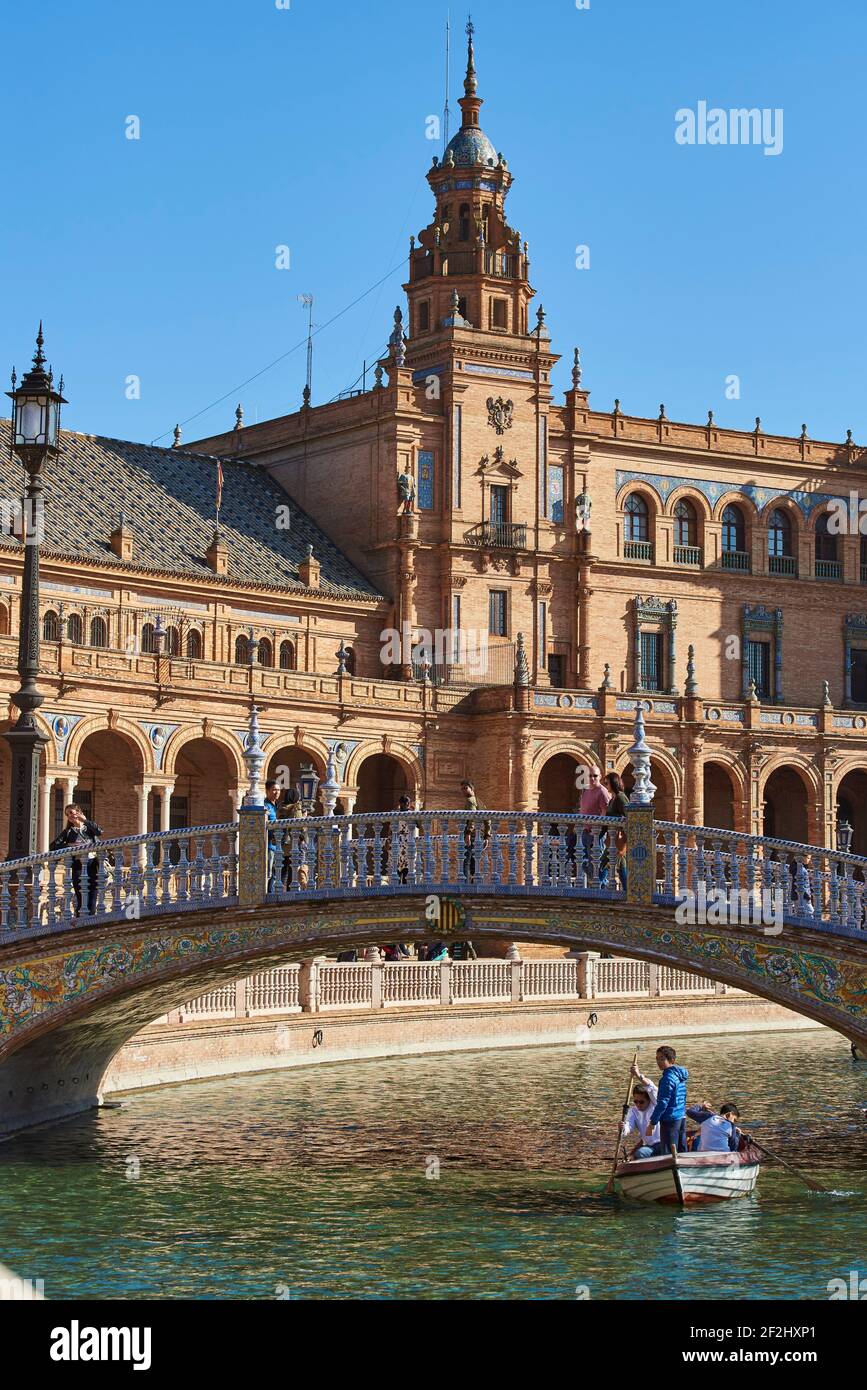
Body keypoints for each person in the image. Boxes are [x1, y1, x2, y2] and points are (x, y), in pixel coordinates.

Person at [50, 804, 103, 915]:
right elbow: (53, 846)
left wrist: (85, 820)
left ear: (78, 812)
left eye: (72, 812)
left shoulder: (88, 828)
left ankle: (91, 922)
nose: (70, 815)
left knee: (93, 895)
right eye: (68, 814)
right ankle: (80, 922)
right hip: (78, 865)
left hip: (93, 863)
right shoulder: (68, 832)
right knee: (80, 895)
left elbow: (99, 832)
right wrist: (70, 845)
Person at [648, 1045, 690, 1153]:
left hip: (670, 1119)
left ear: (671, 1060)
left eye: (662, 1059)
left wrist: (652, 1123)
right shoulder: (680, 1076)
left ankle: (670, 1169)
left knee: (668, 1152)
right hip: (681, 1116)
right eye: (657, 1058)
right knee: (681, 1149)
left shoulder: (667, 1079)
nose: (658, 1061)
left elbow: (662, 1103)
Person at [579, 766, 611, 885]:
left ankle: (602, 887)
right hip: (585, 831)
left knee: (598, 863)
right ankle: (596, 884)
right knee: (582, 860)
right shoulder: (586, 791)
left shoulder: (602, 791)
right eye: (590, 776)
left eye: (595, 776)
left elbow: (605, 812)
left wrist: (599, 831)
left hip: (596, 833)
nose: (592, 778)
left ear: (600, 777)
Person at [622, 1064, 660, 1159]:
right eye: (636, 1101)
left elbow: (651, 1087)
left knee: (639, 1154)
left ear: (649, 1100)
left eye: (641, 1102)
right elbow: (628, 1126)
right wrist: (623, 1128)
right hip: (650, 1147)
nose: (638, 1104)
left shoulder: (656, 1104)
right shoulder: (633, 1111)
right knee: (639, 1153)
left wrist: (638, 1075)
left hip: (663, 1143)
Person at [604, 771, 630, 891]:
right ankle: (627, 890)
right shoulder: (612, 799)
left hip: (619, 838)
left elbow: (628, 815)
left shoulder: (620, 797)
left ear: (613, 783)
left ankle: (599, 888)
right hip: (612, 838)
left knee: (603, 863)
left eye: (607, 783)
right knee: (621, 864)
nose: (606, 785)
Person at [460, 780, 490, 880]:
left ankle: (464, 884)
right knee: (474, 860)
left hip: (472, 835)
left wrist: (468, 833)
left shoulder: (470, 801)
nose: (463, 791)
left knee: (466, 859)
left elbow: (472, 817)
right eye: (462, 789)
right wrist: (486, 836)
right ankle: (473, 882)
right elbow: (487, 820)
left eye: (465, 788)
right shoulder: (480, 801)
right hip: (480, 835)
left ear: (472, 789)